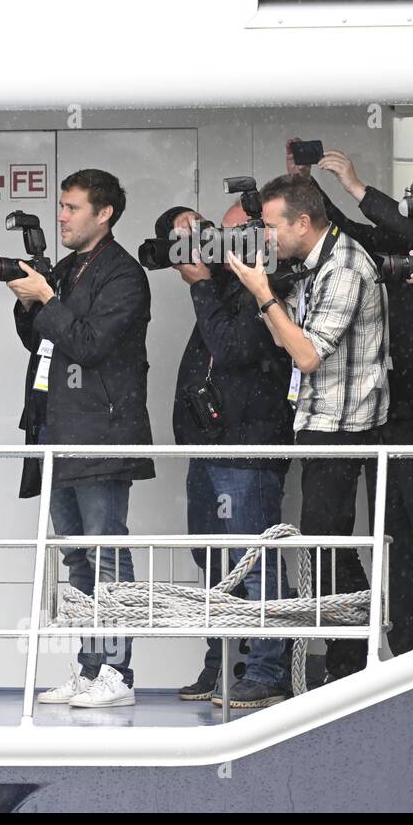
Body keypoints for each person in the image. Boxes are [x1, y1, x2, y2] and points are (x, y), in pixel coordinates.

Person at [229, 173, 388, 684]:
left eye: (272, 226)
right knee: (324, 548)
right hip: (319, 422)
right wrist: (271, 294)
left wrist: (261, 294)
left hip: (342, 428)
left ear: (303, 221)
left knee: (328, 550)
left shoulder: (343, 266)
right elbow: (290, 343)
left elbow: (305, 354)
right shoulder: (313, 266)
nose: (266, 237)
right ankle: (348, 664)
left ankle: (353, 669)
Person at [7, 169, 154, 708]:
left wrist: (46, 297)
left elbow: (89, 345)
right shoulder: (67, 269)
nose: (61, 217)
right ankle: (89, 668)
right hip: (54, 425)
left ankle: (118, 672)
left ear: (104, 213)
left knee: (107, 553)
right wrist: (30, 302)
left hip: (102, 430)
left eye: (71, 208)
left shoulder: (124, 276)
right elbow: (37, 339)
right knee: (76, 558)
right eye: (61, 207)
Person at [292, 144, 413, 657]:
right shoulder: (400, 248)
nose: (409, 214)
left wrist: (357, 185)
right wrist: (313, 187)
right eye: (408, 202)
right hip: (399, 415)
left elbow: (391, 225)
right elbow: (348, 232)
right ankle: (409, 651)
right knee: (397, 540)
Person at [162, 204, 295, 708]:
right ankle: (224, 664)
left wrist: (201, 284)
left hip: (250, 446)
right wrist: (183, 231)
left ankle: (266, 671)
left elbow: (234, 347)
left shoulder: (273, 284)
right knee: (213, 562)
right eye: (220, 233)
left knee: (253, 561)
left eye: (237, 233)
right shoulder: (224, 280)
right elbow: (163, 239)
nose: (224, 241)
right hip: (208, 444)